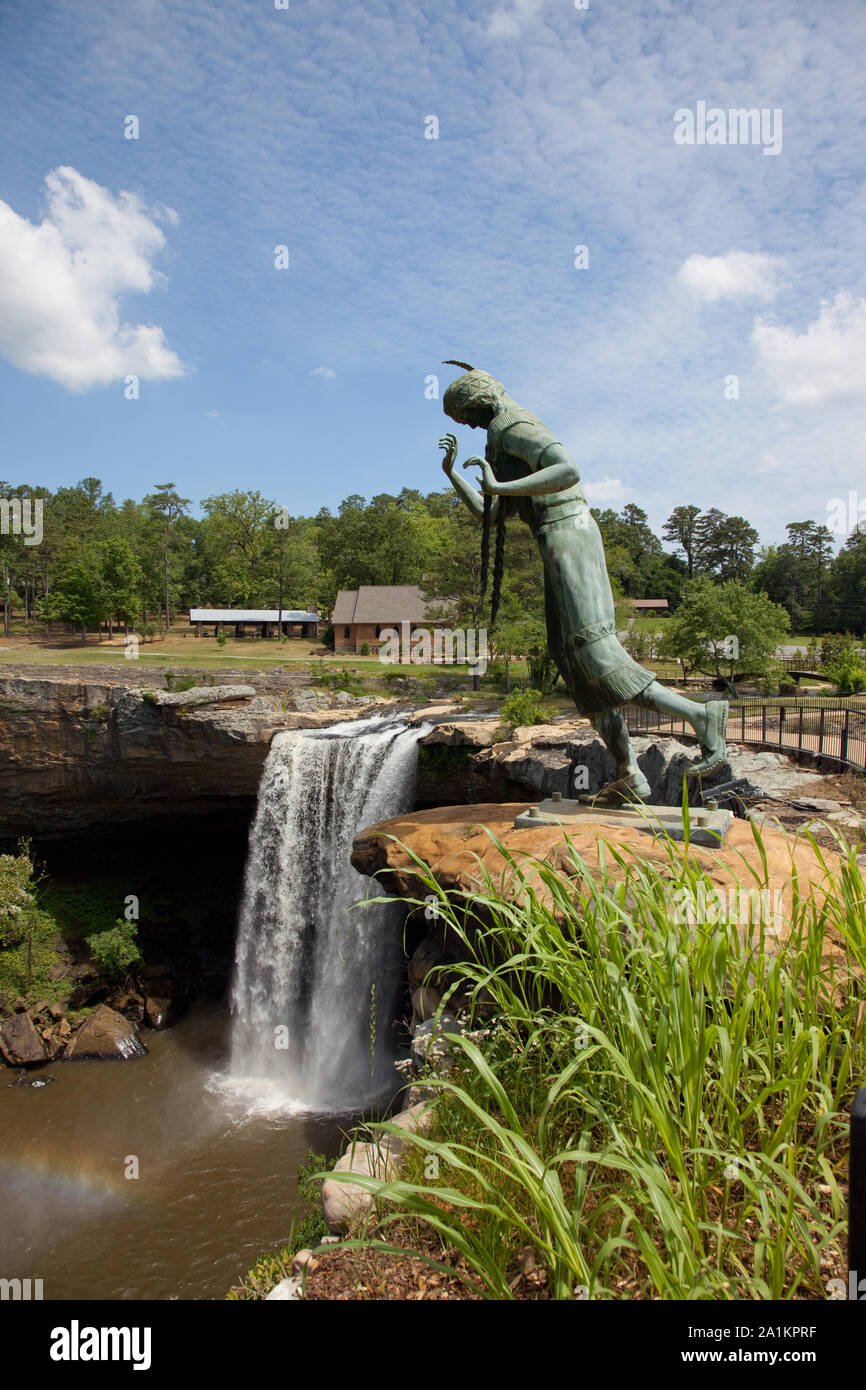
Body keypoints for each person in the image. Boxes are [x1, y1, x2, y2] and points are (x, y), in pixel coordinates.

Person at [439, 365, 727, 802]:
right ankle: (629, 771)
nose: (470, 424)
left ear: (479, 399)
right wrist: (453, 474)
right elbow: (494, 513)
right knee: (571, 660)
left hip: (569, 533)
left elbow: (566, 469)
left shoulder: (513, 424)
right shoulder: (498, 434)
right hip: (552, 541)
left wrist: (501, 483)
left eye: (467, 415)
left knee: (594, 649)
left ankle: (700, 715)